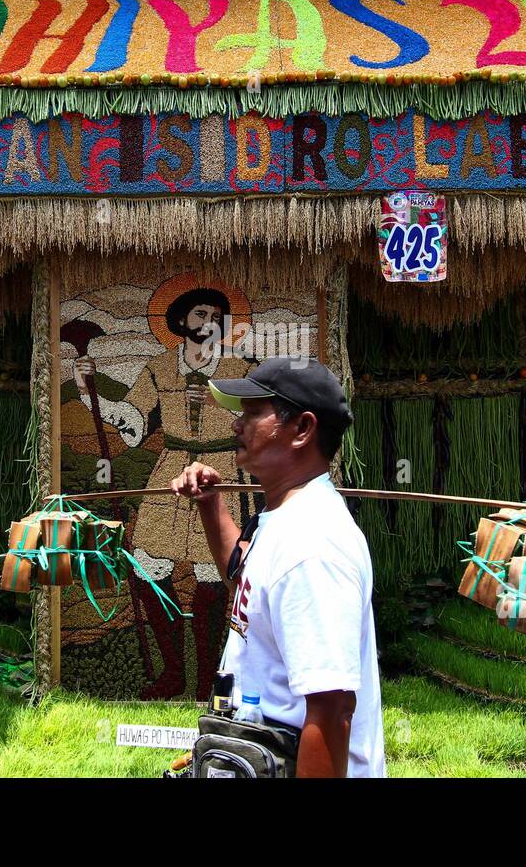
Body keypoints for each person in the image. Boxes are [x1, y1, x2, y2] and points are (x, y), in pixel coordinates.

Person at [170, 356, 386, 778]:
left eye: (252, 414)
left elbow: (332, 709)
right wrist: (211, 504)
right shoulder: (285, 518)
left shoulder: (313, 544)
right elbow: (249, 582)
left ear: (303, 429)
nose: (236, 425)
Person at [72, 285, 254, 700]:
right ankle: (173, 672)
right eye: (199, 314)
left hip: (220, 471)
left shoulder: (238, 369)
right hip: (170, 472)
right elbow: (134, 421)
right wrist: (89, 392)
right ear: (181, 321)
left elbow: (256, 414)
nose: (207, 322)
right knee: (147, 565)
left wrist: (218, 400)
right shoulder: (157, 367)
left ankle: (208, 679)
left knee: (215, 573)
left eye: (214, 315)